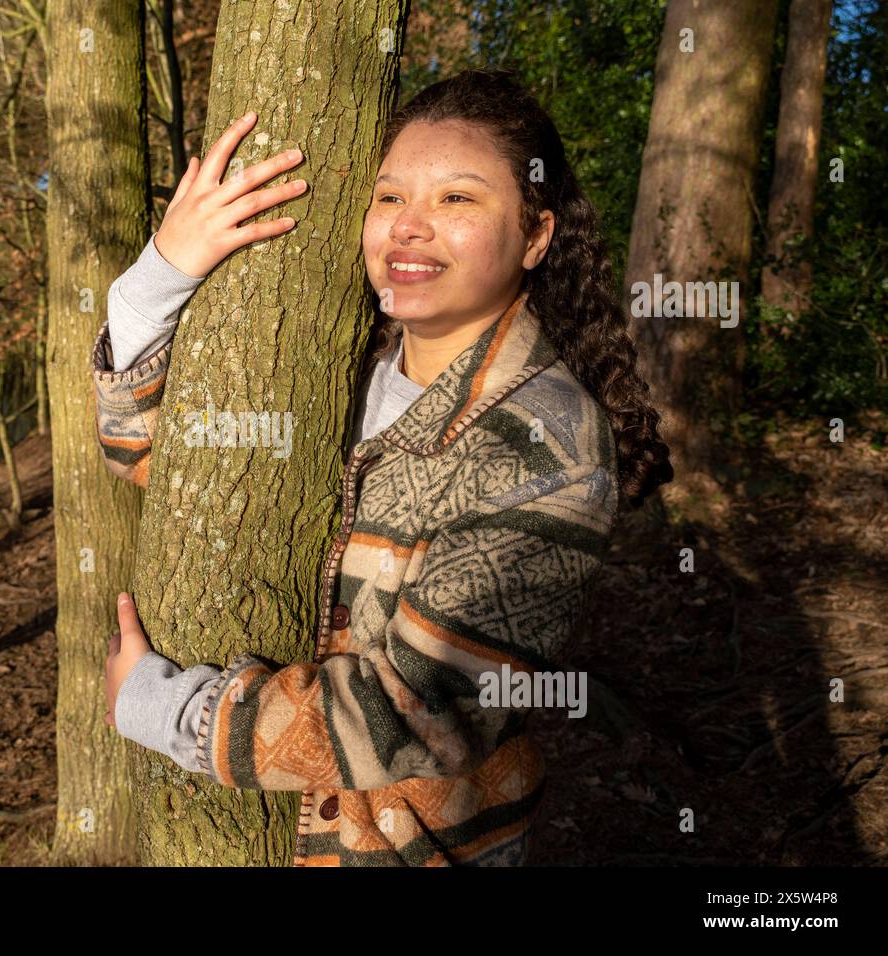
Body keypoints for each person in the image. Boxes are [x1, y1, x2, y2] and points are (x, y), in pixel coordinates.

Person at [91, 69, 673, 866]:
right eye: (390, 197)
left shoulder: (548, 443)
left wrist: (164, 710)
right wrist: (162, 272)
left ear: (536, 235)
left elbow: (423, 710)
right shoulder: (338, 365)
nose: (409, 228)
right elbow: (153, 458)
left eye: (457, 200)